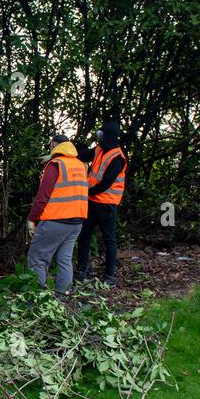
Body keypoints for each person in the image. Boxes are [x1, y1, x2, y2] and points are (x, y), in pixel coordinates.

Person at [26, 134, 90, 294]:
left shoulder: (55, 164)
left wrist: (32, 218)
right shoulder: (80, 165)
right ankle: (63, 297)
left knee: (37, 259)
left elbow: (43, 196)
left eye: (50, 146)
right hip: (76, 222)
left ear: (54, 145)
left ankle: (37, 298)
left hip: (55, 220)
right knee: (64, 260)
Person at [75, 120, 127, 288]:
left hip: (107, 205)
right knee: (84, 236)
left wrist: (85, 192)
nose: (99, 137)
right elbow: (83, 155)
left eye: (101, 134)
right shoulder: (99, 149)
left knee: (108, 240)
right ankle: (82, 270)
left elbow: (106, 183)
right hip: (91, 203)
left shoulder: (117, 157)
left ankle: (110, 276)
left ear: (108, 136)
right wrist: (70, 150)